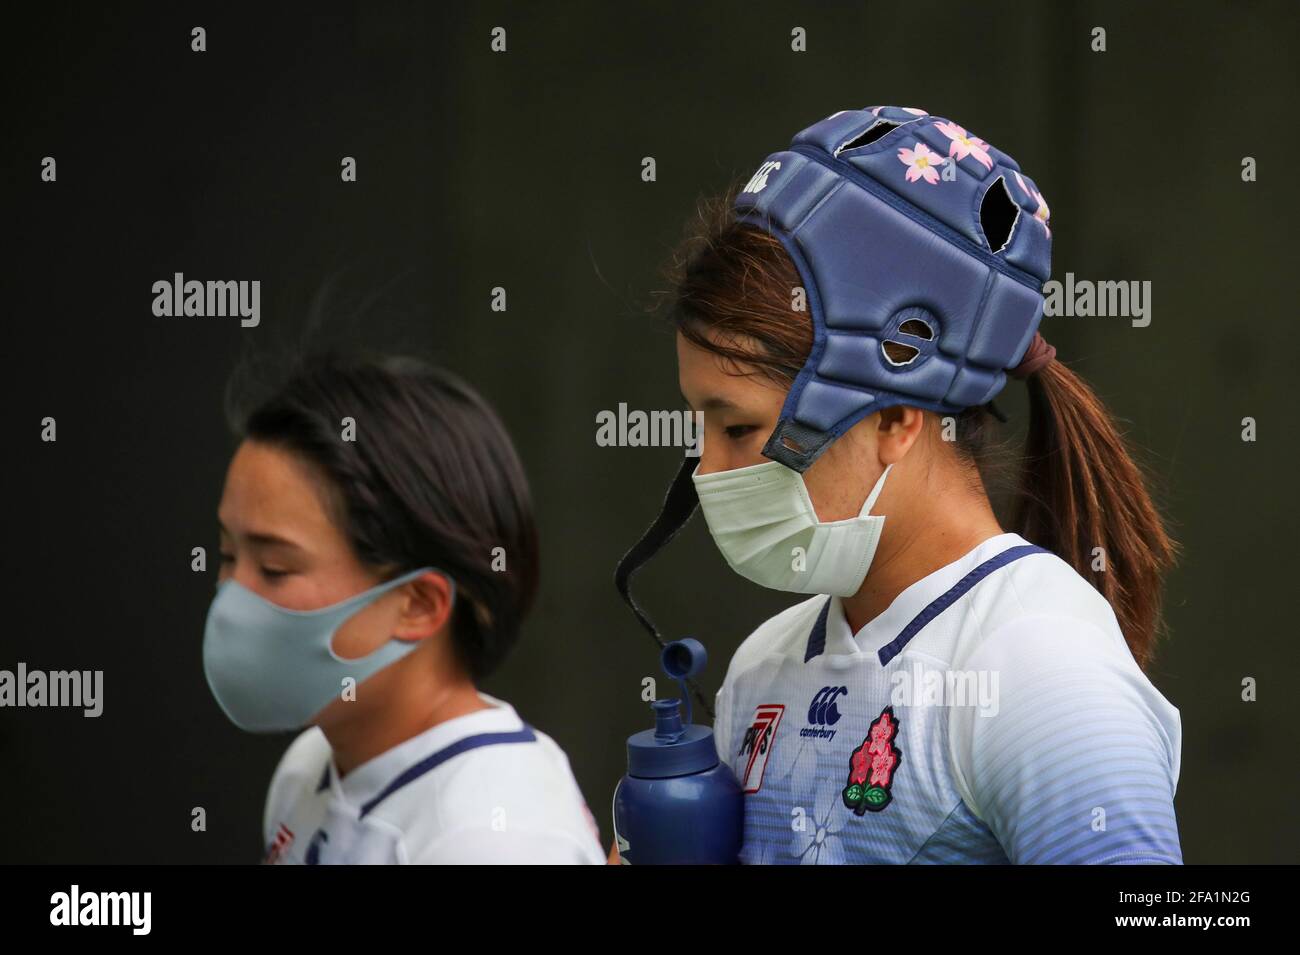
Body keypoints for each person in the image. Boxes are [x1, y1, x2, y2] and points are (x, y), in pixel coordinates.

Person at [615, 106, 1182, 864]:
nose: (709, 472)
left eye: (740, 428)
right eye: (699, 428)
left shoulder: (1041, 668)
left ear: (896, 417)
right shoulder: (764, 667)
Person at [205, 349, 604, 864]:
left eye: (276, 568)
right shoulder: (312, 768)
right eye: (227, 555)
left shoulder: (491, 838)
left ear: (418, 604)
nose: (234, 595)